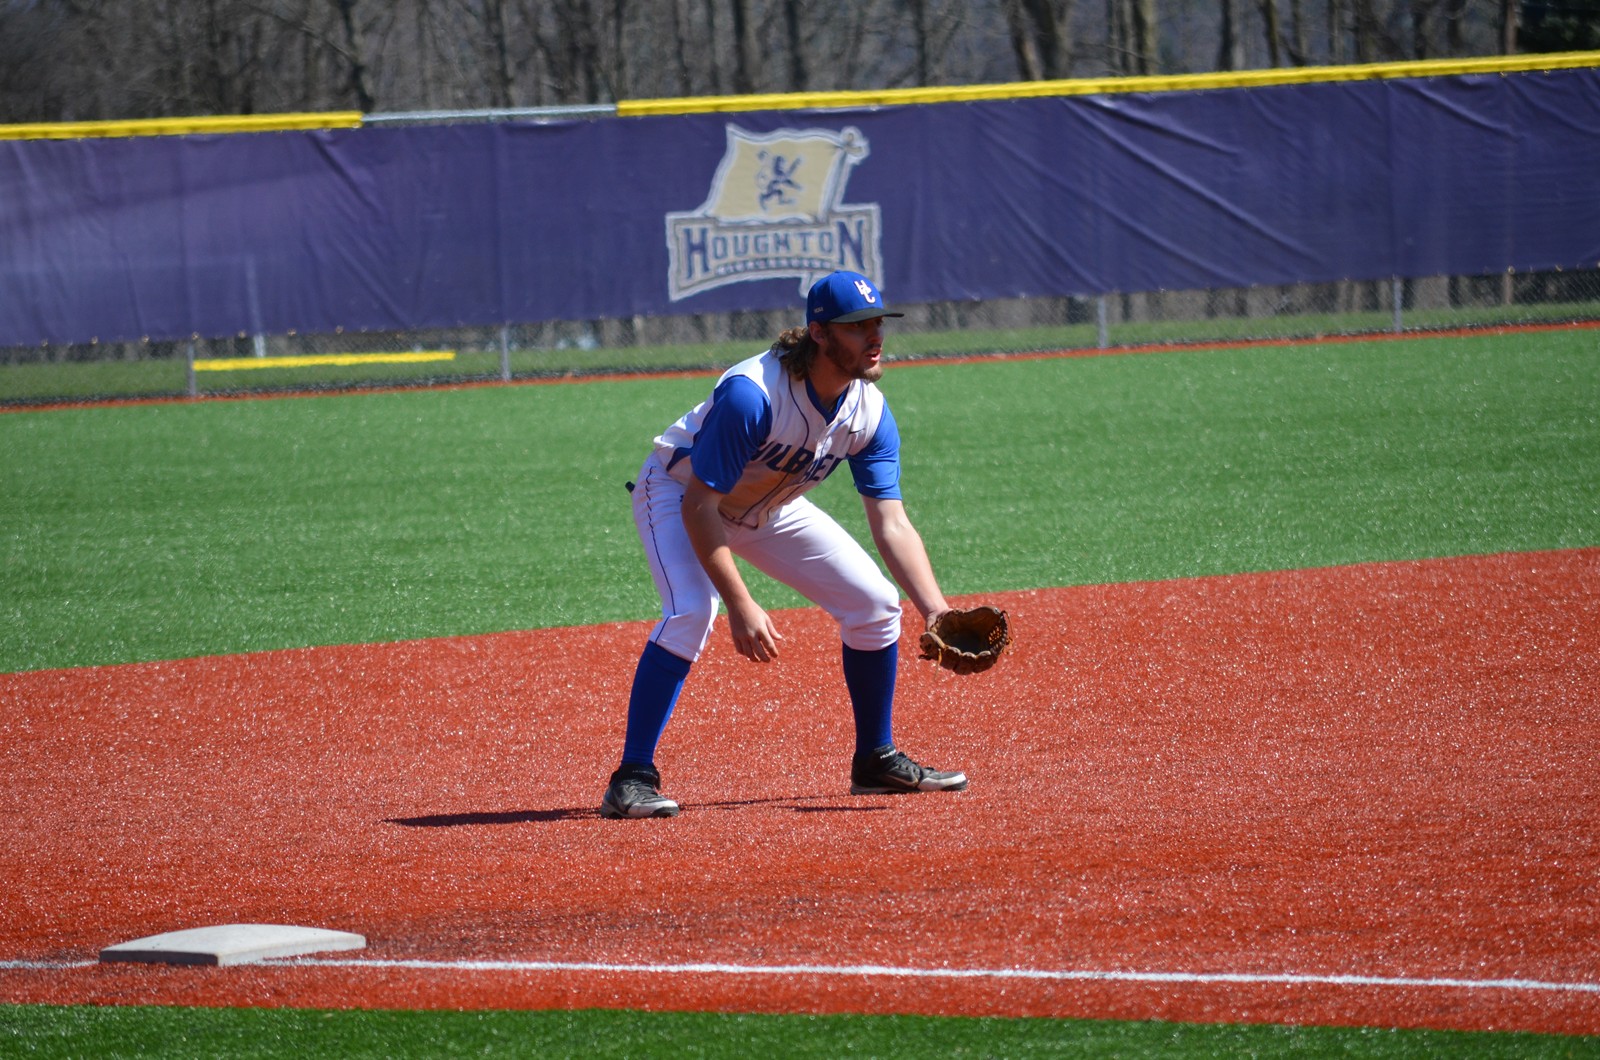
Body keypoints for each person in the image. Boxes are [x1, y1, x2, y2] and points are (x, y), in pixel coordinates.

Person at [601, 270, 967, 819]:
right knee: (692, 612)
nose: (874, 336)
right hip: (679, 494)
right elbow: (701, 506)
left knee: (875, 605)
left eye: (877, 322)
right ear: (819, 333)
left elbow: (891, 521)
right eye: (856, 326)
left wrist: (935, 610)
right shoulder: (753, 395)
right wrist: (742, 604)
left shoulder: (868, 411)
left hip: (769, 507)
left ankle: (874, 759)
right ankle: (630, 779)